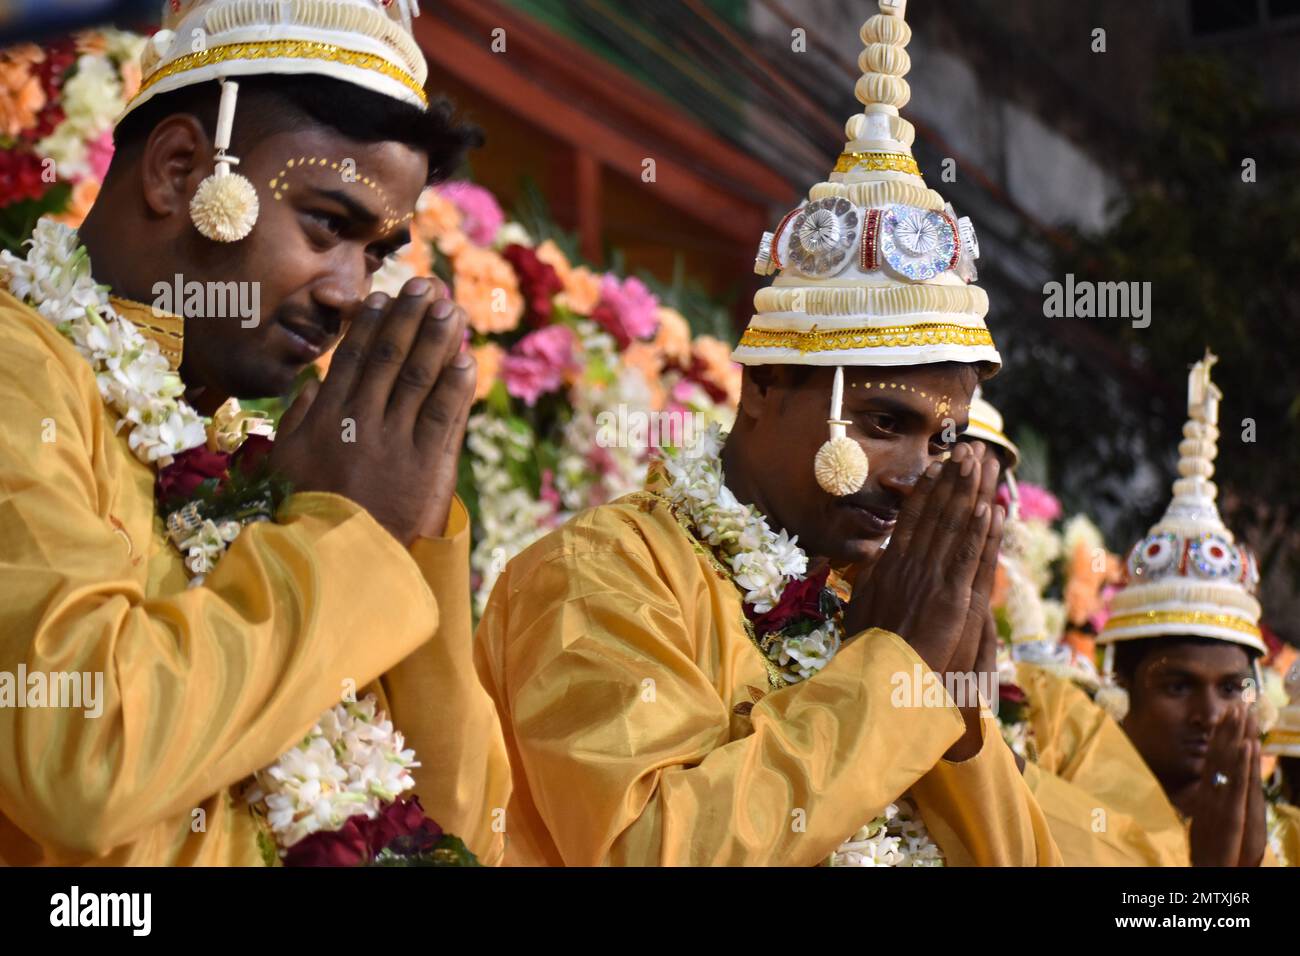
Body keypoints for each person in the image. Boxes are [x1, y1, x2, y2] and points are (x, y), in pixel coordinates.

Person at [475, 0, 1058, 867]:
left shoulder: (880, 601)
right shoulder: (602, 574)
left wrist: (955, 716)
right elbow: (651, 850)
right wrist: (890, 675)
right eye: (885, 421)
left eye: (944, 442)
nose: (914, 474)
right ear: (764, 388)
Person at [0, 0, 508, 865]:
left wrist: (408, 543)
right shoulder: (21, 370)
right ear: (178, 170)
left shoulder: (267, 473)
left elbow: (465, 828)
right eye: (328, 224)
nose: (349, 292)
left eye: (376, 254)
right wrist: (341, 539)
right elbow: (83, 763)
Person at [1084, 352, 1273, 866]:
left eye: (1231, 689)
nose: (1209, 717)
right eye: (1178, 686)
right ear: (1120, 684)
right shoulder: (1066, 814)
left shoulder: (1287, 835)